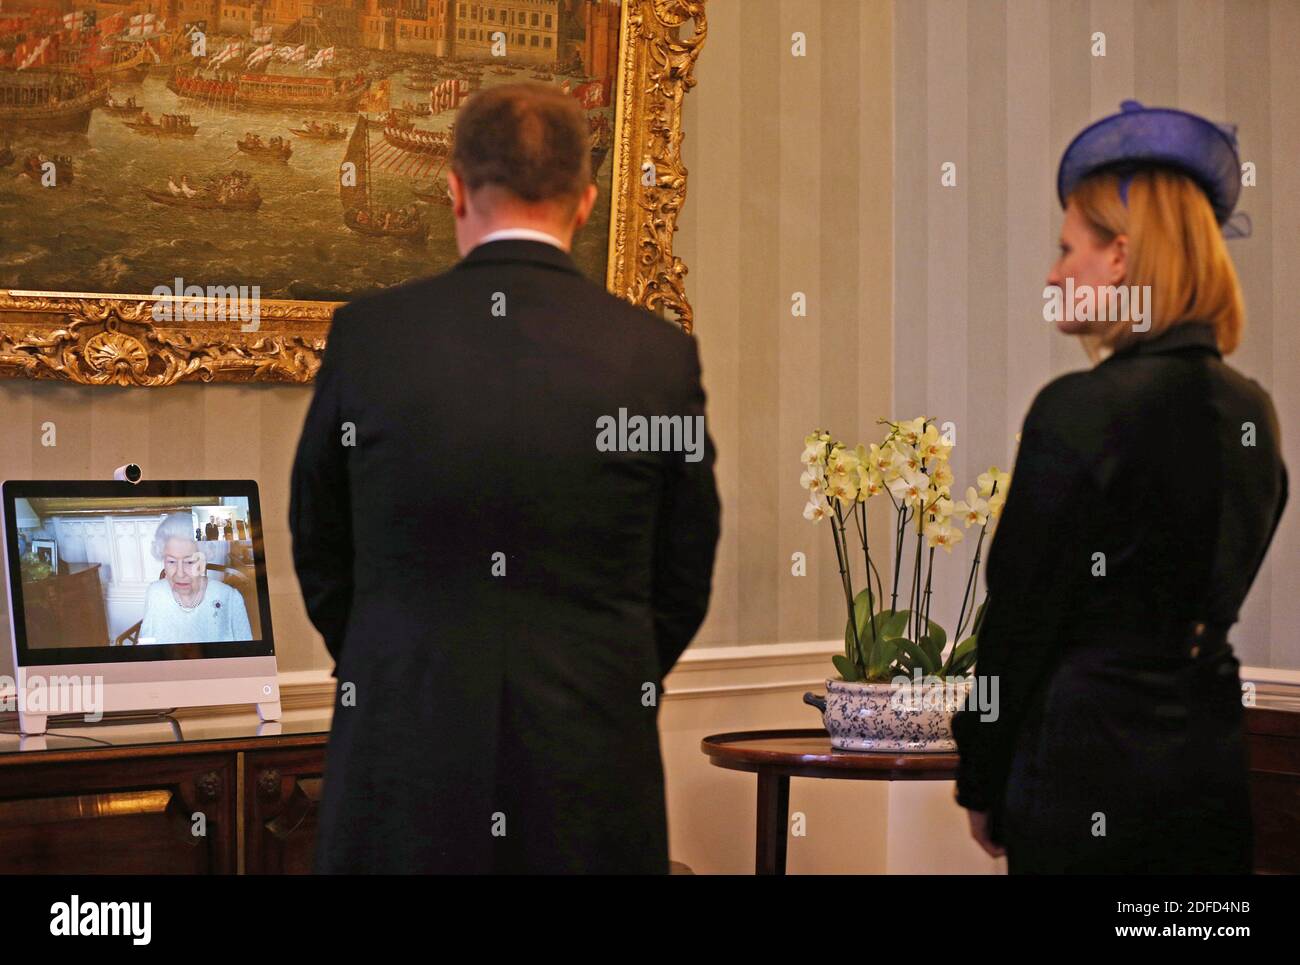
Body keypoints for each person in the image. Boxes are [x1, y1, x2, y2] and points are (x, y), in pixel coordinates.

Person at [291, 82, 720, 874]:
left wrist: (390, 657)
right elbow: (684, 570)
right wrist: (602, 667)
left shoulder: (370, 338)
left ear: (454, 190)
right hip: (590, 762)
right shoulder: (656, 357)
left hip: (401, 757)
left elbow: (320, 544)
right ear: (586, 201)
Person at [951, 101, 1288, 874]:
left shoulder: (1080, 408)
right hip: (1209, 762)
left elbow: (1021, 620)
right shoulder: (1254, 410)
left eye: (1067, 247)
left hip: (1085, 763)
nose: (1052, 271)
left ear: (1122, 257)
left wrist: (981, 772)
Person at [138, 513, 253, 646]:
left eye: (190, 562)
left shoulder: (230, 598)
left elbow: (248, 656)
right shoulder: (155, 592)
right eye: (171, 561)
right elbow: (146, 645)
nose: (179, 574)